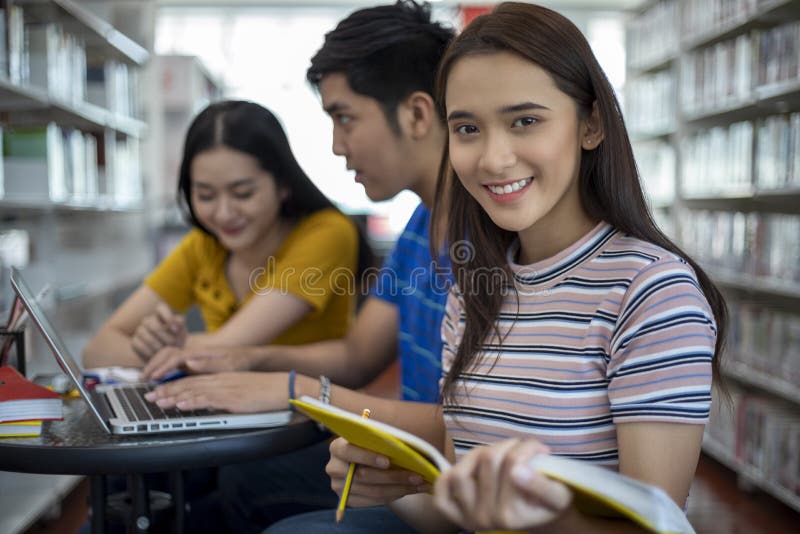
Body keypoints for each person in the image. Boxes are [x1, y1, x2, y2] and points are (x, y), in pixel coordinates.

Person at [271, 3, 727, 533]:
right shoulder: (473, 288)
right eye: (467, 128)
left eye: (525, 121)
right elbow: (454, 504)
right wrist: (392, 485)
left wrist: (535, 519)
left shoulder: (653, 292)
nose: (492, 158)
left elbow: (657, 527)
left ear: (591, 123)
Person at [142, 2, 455, 531]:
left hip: (444, 481)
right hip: (410, 463)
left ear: (418, 114)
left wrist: (298, 389)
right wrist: (252, 359)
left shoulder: (487, 237)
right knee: (206, 484)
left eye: (345, 118)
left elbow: (465, 429)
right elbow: (358, 355)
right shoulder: (419, 227)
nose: (336, 146)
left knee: (240, 486)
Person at [83, 100, 368, 370]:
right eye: (206, 195)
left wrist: (160, 352)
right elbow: (97, 351)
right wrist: (158, 348)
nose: (223, 214)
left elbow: (223, 350)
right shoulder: (204, 245)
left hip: (310, 415)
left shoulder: (328, 232)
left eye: (243, 193)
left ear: (284, 185)